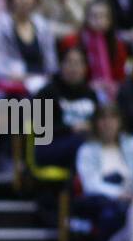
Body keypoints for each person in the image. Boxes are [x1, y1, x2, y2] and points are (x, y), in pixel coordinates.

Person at [72, 103, 133, 241]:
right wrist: (119, 194)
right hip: (102, 201)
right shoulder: (87, 149)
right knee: (111, 215)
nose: (108, 123)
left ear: (120, 121)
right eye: (103, 119)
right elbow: (90, 185)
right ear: (96, 123)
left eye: (112, 118)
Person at [0, 0, 57, 98]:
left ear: (35, 0)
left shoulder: (43, 26)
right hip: (8, 82)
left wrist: (46, 77)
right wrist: (18, 77)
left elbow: (51, 63)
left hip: (38, 81)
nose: (24, 0)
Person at [34, 43, 100, 171]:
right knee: (83, 146)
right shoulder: (47, 92)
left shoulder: (91, 94)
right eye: (69, 62)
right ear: (61, 66)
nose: (73, 68)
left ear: (85, 68)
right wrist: (71, 129)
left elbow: (97, 121)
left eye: (78, 63)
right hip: (51, 145)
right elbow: (40, 130)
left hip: (84, 142)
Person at [62, 0, 127, 102]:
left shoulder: (118, 45)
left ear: (110, 19)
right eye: (94, 16)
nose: (98, 21)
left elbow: (120, 77)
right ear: (86, 18)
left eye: (102, 16)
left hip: (111, 92)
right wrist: (89, 86)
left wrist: (111, 86)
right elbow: (66, 74)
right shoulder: (71, 41)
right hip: (80, 91)